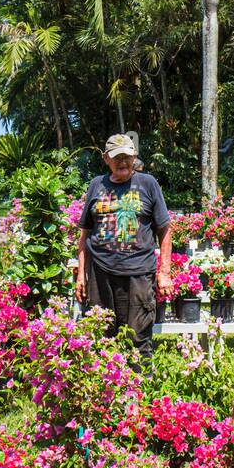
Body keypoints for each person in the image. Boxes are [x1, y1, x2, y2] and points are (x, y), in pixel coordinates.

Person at [74, 133, 172, 355]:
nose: (123, 162)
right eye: (117, 157)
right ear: (106, 158)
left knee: (138, 340)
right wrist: (81, 275)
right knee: (100, 337)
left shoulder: (148, 183)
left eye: (127, 156)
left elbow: (165, 230)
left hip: (138, 275)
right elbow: (85, 233)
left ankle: (141, 385)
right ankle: (105, 387)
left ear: (134, 156)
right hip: (100, 276)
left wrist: (164, 272)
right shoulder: (96, 185)